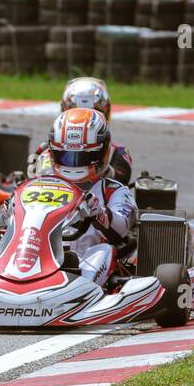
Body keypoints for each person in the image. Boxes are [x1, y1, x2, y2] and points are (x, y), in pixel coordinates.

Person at [44, 107, 136, 290]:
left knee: (104, 250)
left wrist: (99, 213)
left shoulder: (113, 190)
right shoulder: (42, 185)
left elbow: (121, 228)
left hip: (86, 262)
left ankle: (82, 290)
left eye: (84, 156)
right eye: (66, 156)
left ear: (102, 153)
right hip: (42, 256)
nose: (74, 163)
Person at [36, 76, 133, 184]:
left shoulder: (117, 152)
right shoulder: (50, 150)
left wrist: (101, 168)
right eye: (76, 113)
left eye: (93, 113)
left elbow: (121, 180)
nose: (84, 120)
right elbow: (35, 179)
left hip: (97, 197)